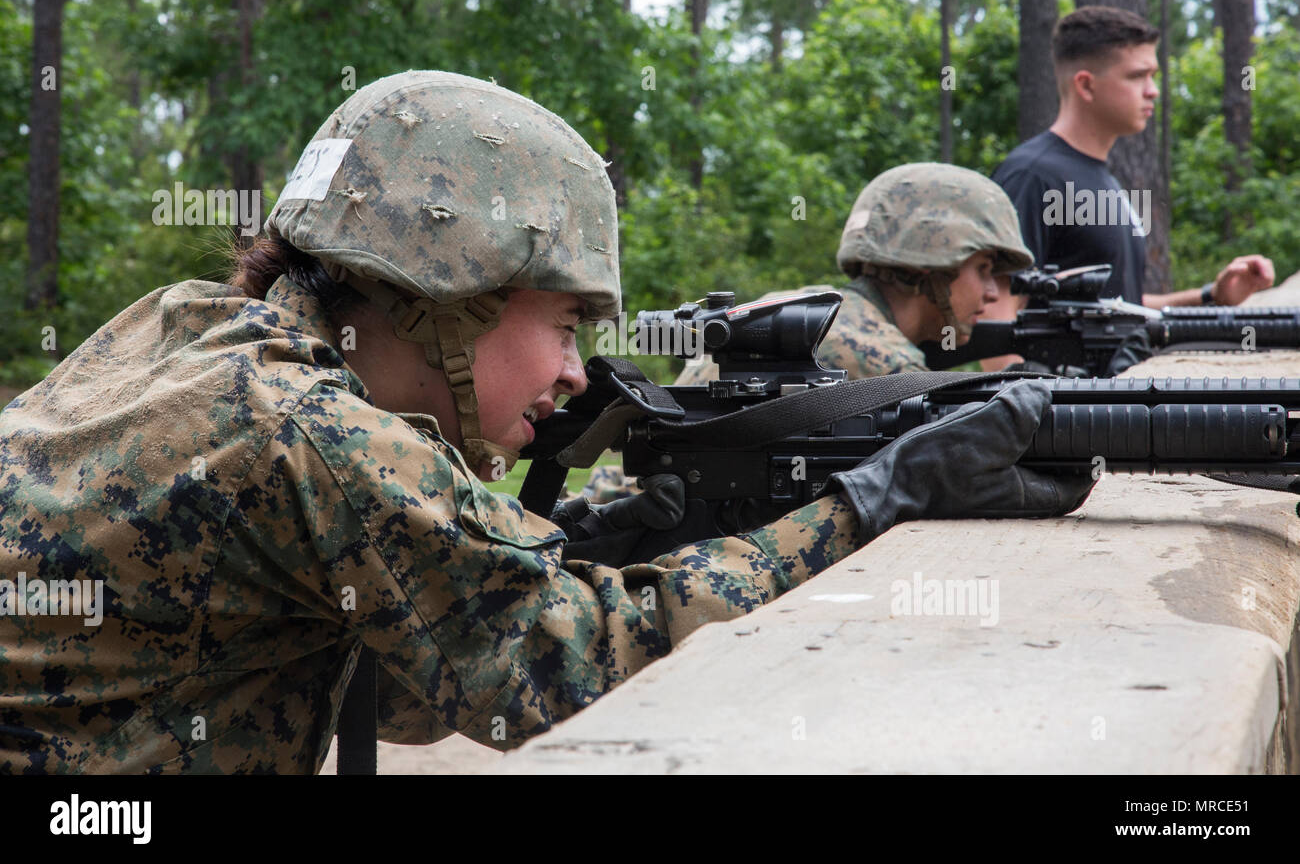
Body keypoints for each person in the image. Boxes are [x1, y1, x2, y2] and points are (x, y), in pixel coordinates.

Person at [0, 72, 1092, 773]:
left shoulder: (192, 331)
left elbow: (417, 668)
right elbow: (575, 668)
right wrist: (876, 497)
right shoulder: (310, 434)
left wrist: (616, 532)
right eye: (566, 322)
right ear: (450, 291)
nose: (575, 371)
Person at [982, 5, 1274, 368]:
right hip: (1070, 419)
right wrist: (1033, 419)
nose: (1153, 91)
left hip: (1113, 412)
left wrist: (1210, 297)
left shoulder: (1104, 179)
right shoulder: (1032, 176)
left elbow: (1118, 307)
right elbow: (995, 321)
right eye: (1138, 76)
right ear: (1086, 85)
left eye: (1153, 76)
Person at [675, 162, 1035, 385]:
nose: (991, 292)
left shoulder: (810, 308)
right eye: (984, 269)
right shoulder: (884, 364)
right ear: (933, 266)